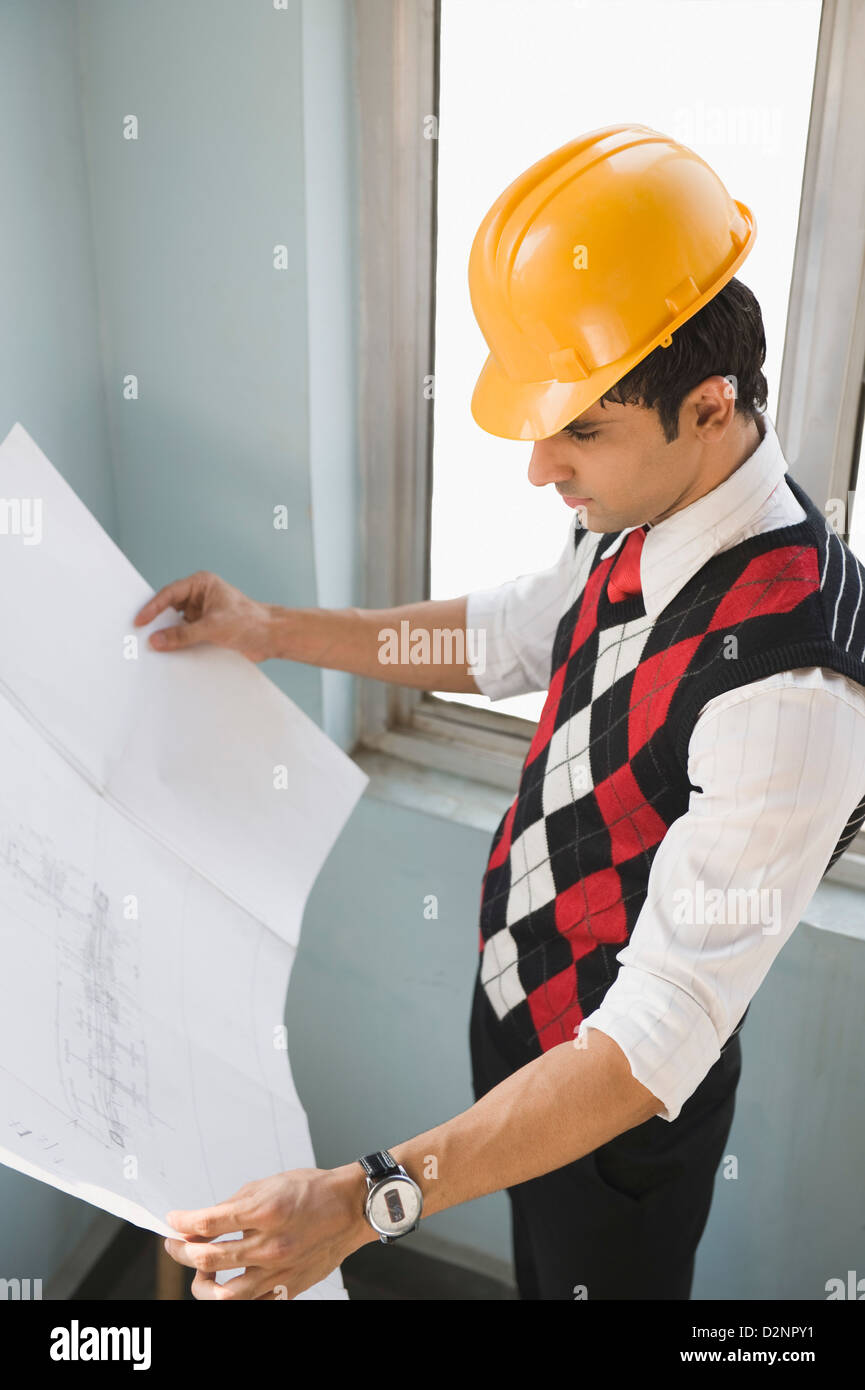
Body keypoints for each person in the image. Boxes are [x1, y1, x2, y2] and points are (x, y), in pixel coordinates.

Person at [136, 127, 865, 1301]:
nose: (540, 466)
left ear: (710, 406)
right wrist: (270, 628)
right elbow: (496, 635)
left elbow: (647, 1044)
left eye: (579, 429)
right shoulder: (644, 504)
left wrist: (367, 1198)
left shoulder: (795, 694)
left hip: (614, 1115)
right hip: (518, 1025)